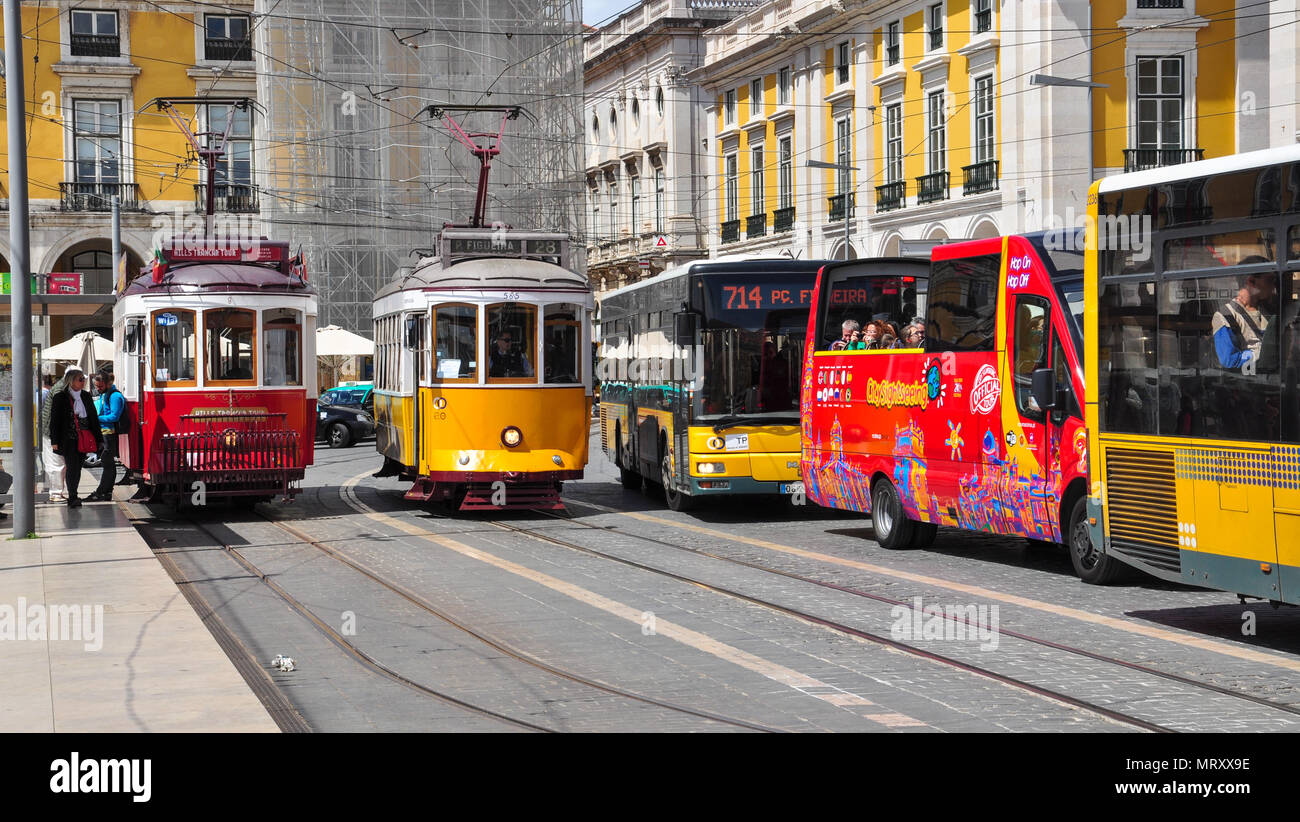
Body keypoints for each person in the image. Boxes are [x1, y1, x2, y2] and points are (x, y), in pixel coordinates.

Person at [48, 368, 102, 508]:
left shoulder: (85, 396)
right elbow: (54, 420)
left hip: (84, 438)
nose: (83, 381)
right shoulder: (60, 397)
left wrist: (99, 438)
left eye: (83, 379)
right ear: (71, 381)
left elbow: (93, 418)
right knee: (72, 467)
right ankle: (73, 496)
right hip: (68, 439)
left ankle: (74, 493)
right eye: (80, 379)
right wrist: (54, 441)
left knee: (77, 467)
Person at [1212, 272, 1276, 371]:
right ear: (1251, 281)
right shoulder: (1226, 316)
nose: (1273, 287)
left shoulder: (1267, 310)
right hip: (1247, 379)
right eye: (1270, 281)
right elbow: (1230, 360)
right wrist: (1264, 354)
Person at [89, 370, 125, 501]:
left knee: (107, 465)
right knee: (108, 465)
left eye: (100, 386)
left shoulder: (114, 396)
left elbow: (114, 416)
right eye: (96, 386)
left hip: (109, 435)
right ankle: (106, 492)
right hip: (105, 434)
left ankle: (102, 491)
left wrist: (96, 418)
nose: (98, 389)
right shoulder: (106, 394)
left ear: (108, 383)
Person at [40, 371, 69, 502]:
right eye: (80, 379)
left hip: (49, 431)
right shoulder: (60, 391)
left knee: (52, 462)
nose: (83, 382)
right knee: (56, 463)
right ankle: (55, 493)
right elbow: (55, 417)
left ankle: (51, 491)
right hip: (51, 433)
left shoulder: (60, 389)